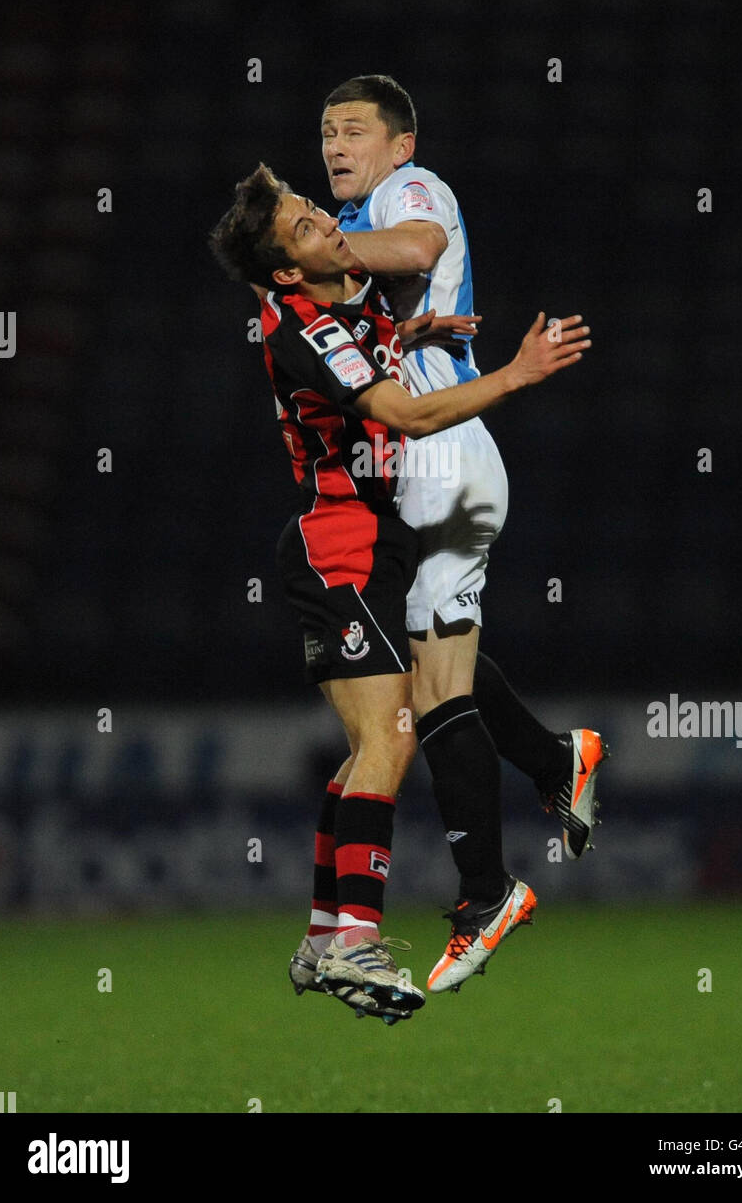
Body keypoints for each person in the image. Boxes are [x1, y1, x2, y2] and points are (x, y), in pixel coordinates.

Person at [208, 161, 591, 1020]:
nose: (325, 222)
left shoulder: (342, 295)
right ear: (283, 271)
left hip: (365, 546)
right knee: (392, 737)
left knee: (364, 754)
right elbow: (407, 417)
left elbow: (369, 359)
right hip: (338, 549)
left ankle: (321, 935)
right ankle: (356, 941)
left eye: (311, 206)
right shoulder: (307, 324)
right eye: (305, 228)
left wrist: (414, 339)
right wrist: (518, 375)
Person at [321, 75, 606, 992]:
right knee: (429, 673)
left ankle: (487, 895)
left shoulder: (410, 191)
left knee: (431, 698)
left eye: (354, 130)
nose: (335, 145)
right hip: (440, 452)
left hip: (441, 451)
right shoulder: (366, 223)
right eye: (325, 131)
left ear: (401, 144)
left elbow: (415, 245)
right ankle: (559, 758)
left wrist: (314, 249)